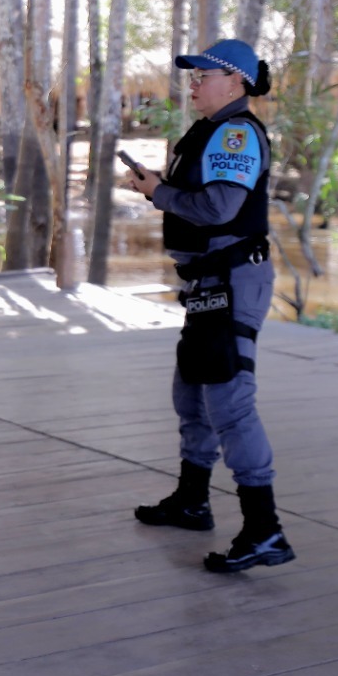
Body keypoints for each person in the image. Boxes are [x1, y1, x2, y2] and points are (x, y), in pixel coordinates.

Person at [124, 37, 294, 574]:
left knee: (229, 401)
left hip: (233, 279)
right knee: (192, 391)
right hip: (207, 284)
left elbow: (220, 207)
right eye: (193, 76)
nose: (194, 84)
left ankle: (265, 529)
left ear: (236, 82)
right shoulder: (210, 131)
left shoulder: (237, 132)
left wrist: (159, 193)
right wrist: (162, 188)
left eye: (204, 75)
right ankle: (192, 499)